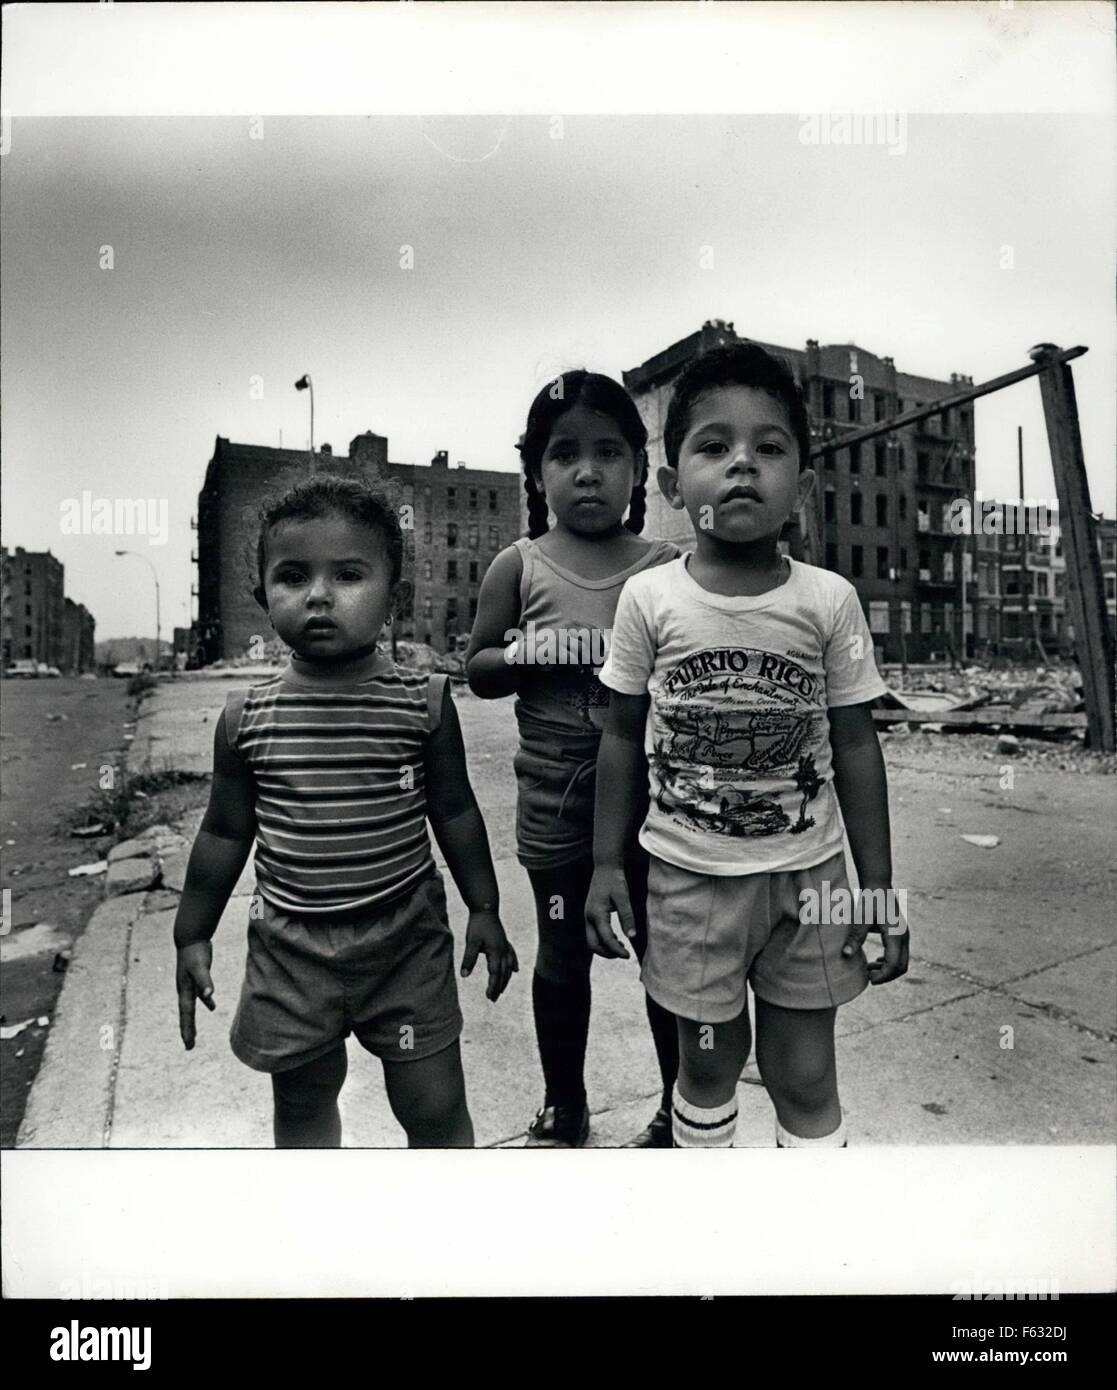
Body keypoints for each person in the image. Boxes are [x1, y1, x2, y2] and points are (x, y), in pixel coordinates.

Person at [587, 343, 909, 1149]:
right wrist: (601, 866)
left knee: (804, 1075)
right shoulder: (648, 600)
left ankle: (811, 1249)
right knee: (705, 1067)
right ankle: (713, 1243)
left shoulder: (827, 601)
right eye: (712, 447)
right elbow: (621, 736)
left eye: (767, 448)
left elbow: (857, 749)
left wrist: (878, 891)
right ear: (669, 487)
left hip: (811, 883)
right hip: (689, 884)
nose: (740, 465)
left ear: (799, 487)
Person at [174, 475, 517, 1148]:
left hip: (405, 942)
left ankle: (453, 1231)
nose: (320, 595)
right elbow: (223, 832)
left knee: (433, 1105)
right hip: (291, 950)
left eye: (349, 575)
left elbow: (454, 813)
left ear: (397, 594)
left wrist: (484, 907)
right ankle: (321, 1231)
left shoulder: (425, 702)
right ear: (261, 597)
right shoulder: (245, 718)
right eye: (293, 577)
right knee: (303, 1106)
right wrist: (192, 932)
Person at [466, 371, 680, 1147]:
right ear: (536, 472)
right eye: (564, 455)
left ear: (636, 468)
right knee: (561, 949)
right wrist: (526, 654)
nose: (586, 471)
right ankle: (566, 1105)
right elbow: (476, 670)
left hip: (655, 804)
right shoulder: (518, 566)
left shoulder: (666, 568)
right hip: (556, 799)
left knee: (667, 952)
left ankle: (677, 1109)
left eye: (607, 453)